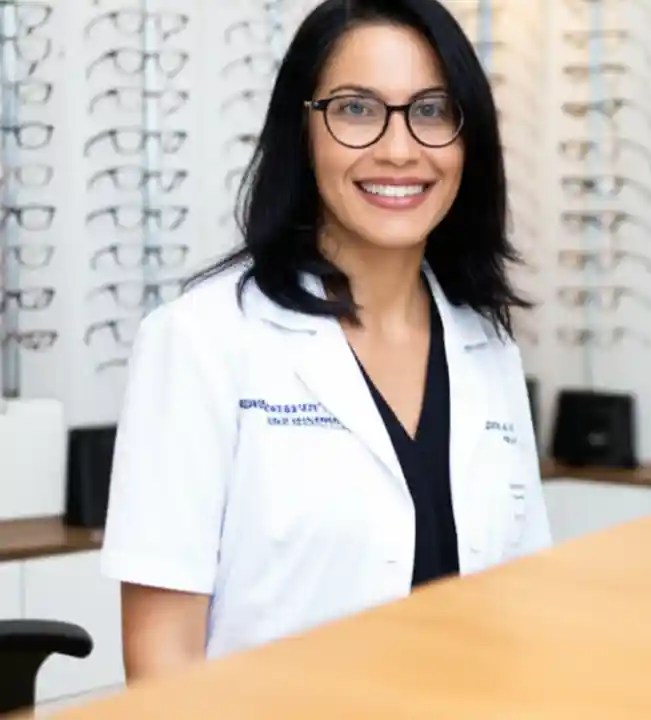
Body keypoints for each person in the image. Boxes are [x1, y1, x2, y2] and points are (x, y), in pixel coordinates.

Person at [99, 0, 551, 682]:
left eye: (430, 110)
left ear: (468, 139)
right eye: (357, 109)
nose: (399, 149)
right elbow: (163, 661)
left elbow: (522, 604)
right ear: (302, 131)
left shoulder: (487, 347)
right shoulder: (201, 342)